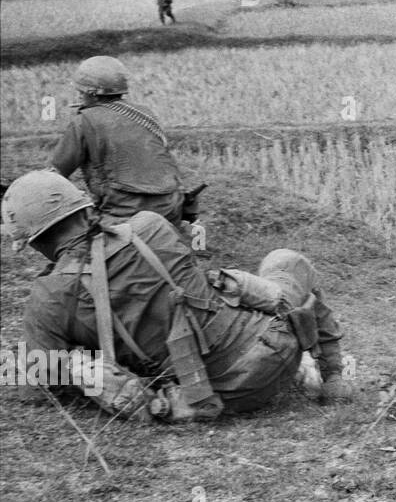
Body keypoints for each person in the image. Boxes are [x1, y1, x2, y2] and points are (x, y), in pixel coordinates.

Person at [1, 171, 355, 423]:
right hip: (279, 347)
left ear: (34, 240)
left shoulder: (47, 298)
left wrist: (77, 360)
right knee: (286, 262)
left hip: (211, 393)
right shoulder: (150, 225)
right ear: (82, 208)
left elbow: (42, 384)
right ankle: (333, 376)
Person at [48, 56, 193, 228]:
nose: (79, 96)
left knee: (79, 243)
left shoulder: (84, 121)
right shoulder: (145, 113)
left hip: (125, 214)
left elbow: (54, 175)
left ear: (93, 94)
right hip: (171, 207)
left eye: (81, 92)